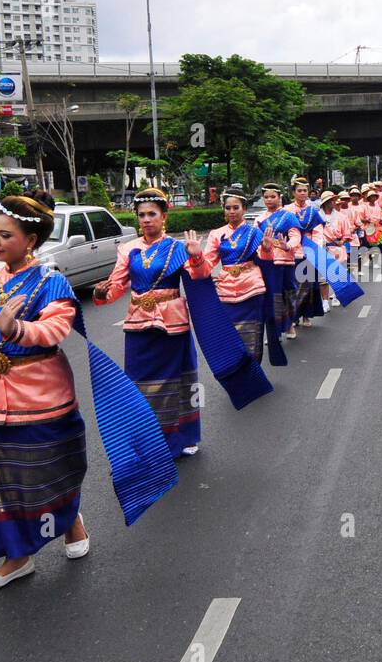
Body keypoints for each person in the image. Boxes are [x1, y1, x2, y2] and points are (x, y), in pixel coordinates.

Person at [0, 191, 174, 591]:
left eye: (4, 235)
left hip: (45, 396)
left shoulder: (52, 281)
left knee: (53, 470)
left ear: (29, 241)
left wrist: (18, 330)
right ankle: (18, 557)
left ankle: (70, 523)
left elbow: (55, 329)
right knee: (3, 477)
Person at [96, 188, 272, 459]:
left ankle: (183, 437)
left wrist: (196, 255)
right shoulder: (128, 250)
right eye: (141, 215)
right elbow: (117, 285)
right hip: (137, 326)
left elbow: (200, 275)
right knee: (140, 384)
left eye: (152, 214)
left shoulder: (178, 249)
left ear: (164, 216)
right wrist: (102, 293)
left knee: (176, 382)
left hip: (172, 325)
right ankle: (148, 441)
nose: (146, 220)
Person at [195, 186, 272, 363]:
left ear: (244, 209)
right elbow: (205, 267)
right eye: (228, 208)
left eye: (236, 208)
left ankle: (254, 375)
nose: (231, 212)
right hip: (226, 290)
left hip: (253, 288)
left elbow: (265, 259)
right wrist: (196, 256)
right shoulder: (216, 234)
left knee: (253, 337)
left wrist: (267, 249)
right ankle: (239, 376)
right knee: (231, 338)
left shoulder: (254, 232)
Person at [254, 182, 302, 340]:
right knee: (271, 296)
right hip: (266, 261)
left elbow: (295, 236)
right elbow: (254, 240)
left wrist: (287, 245)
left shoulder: (287, 216)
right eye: (266, 197)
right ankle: (275, 329)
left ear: (279, 197)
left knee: (287, 293)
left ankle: (288, 324)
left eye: (272, 196)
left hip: (284, 259)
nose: (269, 200)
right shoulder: (260, 219)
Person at [284, 176, 326, 329]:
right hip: (291, 253)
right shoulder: (286, 210)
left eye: (305, 190)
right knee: (292, 287)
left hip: (309, 251)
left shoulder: (313, 211)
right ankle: (293, 317)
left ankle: (306, 316)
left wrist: (315, 249)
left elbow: (318, 231)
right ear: (294, 192)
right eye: (299, 190)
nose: (302, 193)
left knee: (309, 286)